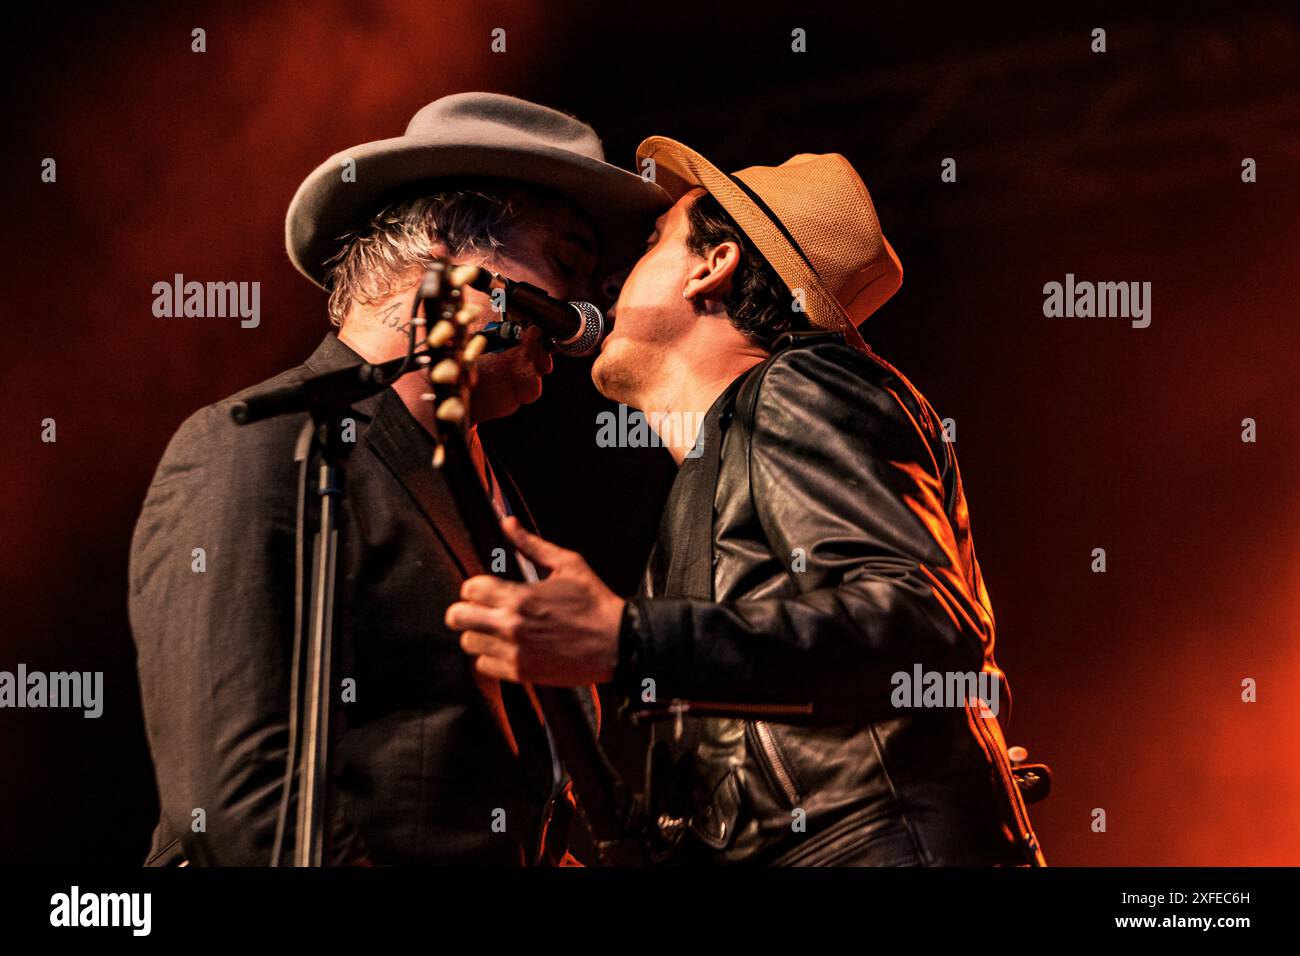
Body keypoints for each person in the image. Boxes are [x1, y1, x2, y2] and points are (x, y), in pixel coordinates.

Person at [447, 137, 1046, 865]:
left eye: (651, 243)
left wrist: (629, 641)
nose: (604, 282)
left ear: (714, 263)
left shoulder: (803, 384)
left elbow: (918, 621)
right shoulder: (713, 472)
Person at [128, 93, 666, 865]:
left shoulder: (493, 491)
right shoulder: (257, 444)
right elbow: (243, 799)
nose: (586, 323)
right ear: (449, 260)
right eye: (565, 267)